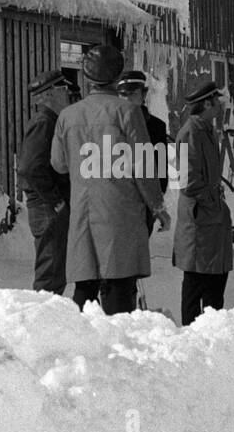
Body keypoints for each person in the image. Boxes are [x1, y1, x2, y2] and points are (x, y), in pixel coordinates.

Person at [50, 43, 169, 315]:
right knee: (119, 286)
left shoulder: (68, 116)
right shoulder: (127, 112)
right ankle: (117, 347)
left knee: (86, 285)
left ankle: (81, 345)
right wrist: (157, 207)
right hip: (121, 213)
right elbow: (142, 165)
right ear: (116, 77)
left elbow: (58, 164)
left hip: (83, 211)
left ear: (86, 76)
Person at [173, 77, 233, 324]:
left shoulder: (206, 130)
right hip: (201, 219)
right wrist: (211, 203)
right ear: (207, 103)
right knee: (198, 280)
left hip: (210, 217)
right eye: (218, 100)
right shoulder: (191, 132)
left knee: (214, 280)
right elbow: (188, 181)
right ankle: (192, 335)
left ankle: (211, 332)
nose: (221, 104)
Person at [17, 68, 74, 294]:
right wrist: (56, 201)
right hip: (46, 207)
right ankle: (43, 323)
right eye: (63, 88)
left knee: (55, 270)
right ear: (49, 93)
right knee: (50, 274)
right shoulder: (44, 122)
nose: (67, 93)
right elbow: (29, 167)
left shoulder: (52, 121)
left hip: (48, 206)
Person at [117, 69, 169, 234]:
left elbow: (161, 170)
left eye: (133, 94)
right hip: (117, 202)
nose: (128, 99)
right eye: (124, 95)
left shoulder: (156, 126)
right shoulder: (111, 124)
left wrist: (155, 204)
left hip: (144, 203)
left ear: (144, 94)